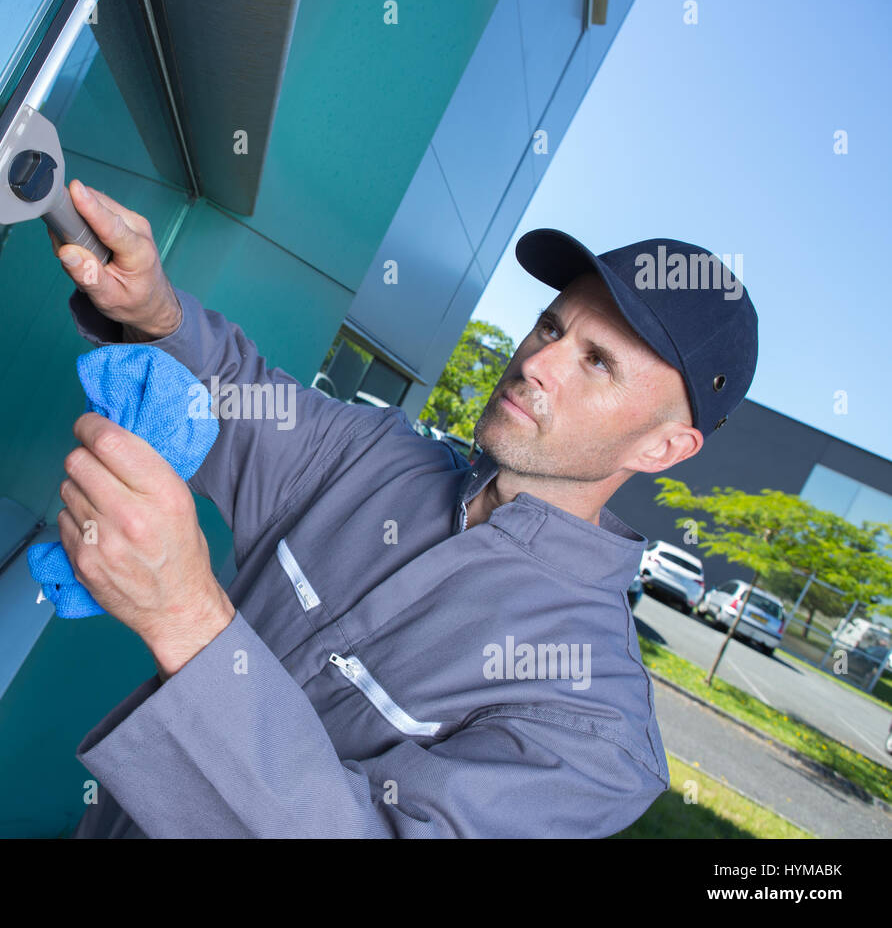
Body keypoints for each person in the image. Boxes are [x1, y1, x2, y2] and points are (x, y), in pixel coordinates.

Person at [48, 179, 759, 837]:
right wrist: (154, 311)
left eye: (597, 361)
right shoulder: (378, 454)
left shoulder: (595, 727)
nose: (537, 362)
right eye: (550, 328)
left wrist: (186, 618)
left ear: (664, 447)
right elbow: (235, 392)